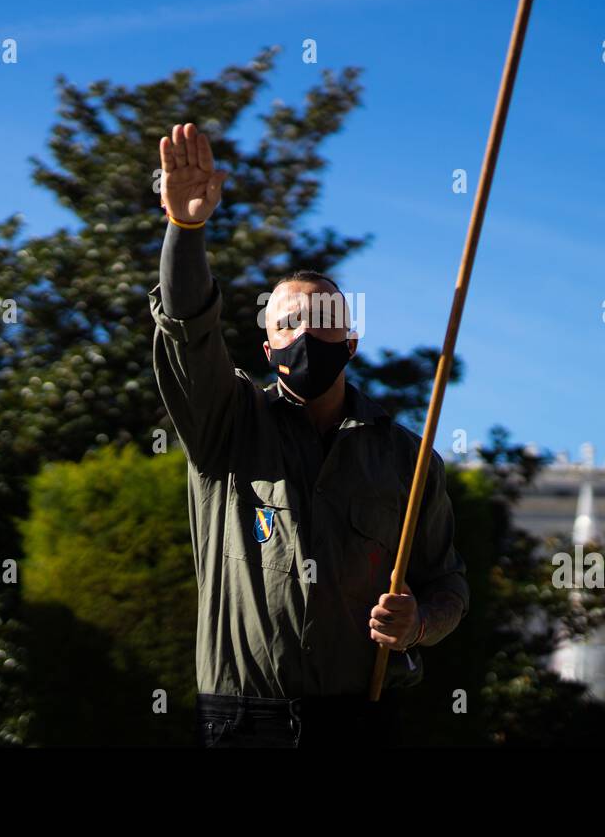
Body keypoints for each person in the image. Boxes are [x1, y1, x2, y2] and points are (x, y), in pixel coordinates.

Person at [150, 122, 469, 747]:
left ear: (351, 341)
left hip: (361, 720)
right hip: (244, 724)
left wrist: (418, 624)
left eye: (322, 319)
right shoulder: (226, 426)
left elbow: (448, 583)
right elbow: (187, 327)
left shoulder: (407, 457)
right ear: (268, 347)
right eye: (288, 323)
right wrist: (185, 229)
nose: (304, 333)